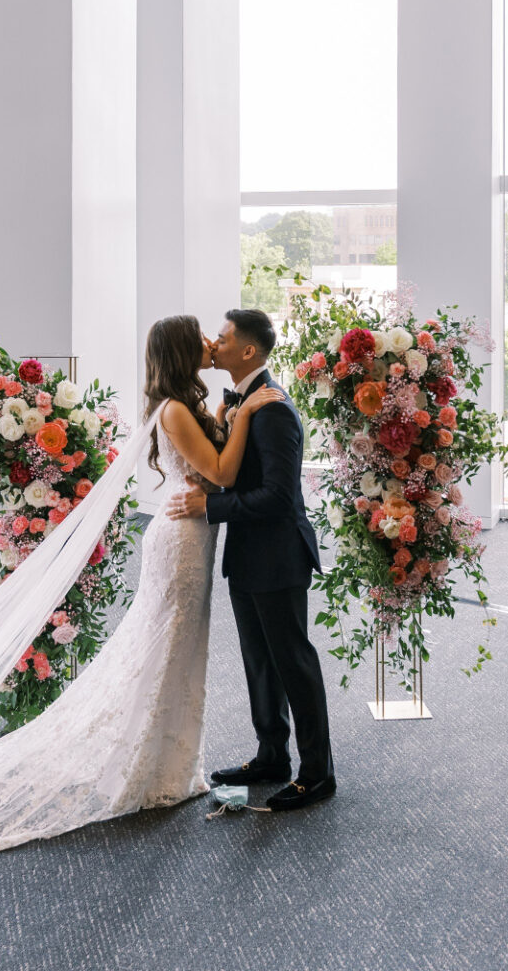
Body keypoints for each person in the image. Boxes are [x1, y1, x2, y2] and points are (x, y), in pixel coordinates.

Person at [0, 315, 283, 861]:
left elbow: (210, 472)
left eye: (219, 336)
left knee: (174, 649)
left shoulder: (187, 404)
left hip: (192, 534)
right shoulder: (177, 410)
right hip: (182, 542)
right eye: (204, 338)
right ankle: (149, 762)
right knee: (165, 648)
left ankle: (165, 758)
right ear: (185, 352)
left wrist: (232, 414)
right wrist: (245, 415)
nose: (213, 343)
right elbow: (223, 476)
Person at [168, 308, 336, 812]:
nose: (212, 344)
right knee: (259, 663)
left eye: (220, 338)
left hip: (279, 556)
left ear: (246, 351)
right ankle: (271, 756)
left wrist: (210, 506)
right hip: (247, 556)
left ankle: (317, 773)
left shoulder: (275, 408)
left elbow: (279, 499)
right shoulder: (240, 402)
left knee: (293, 663)